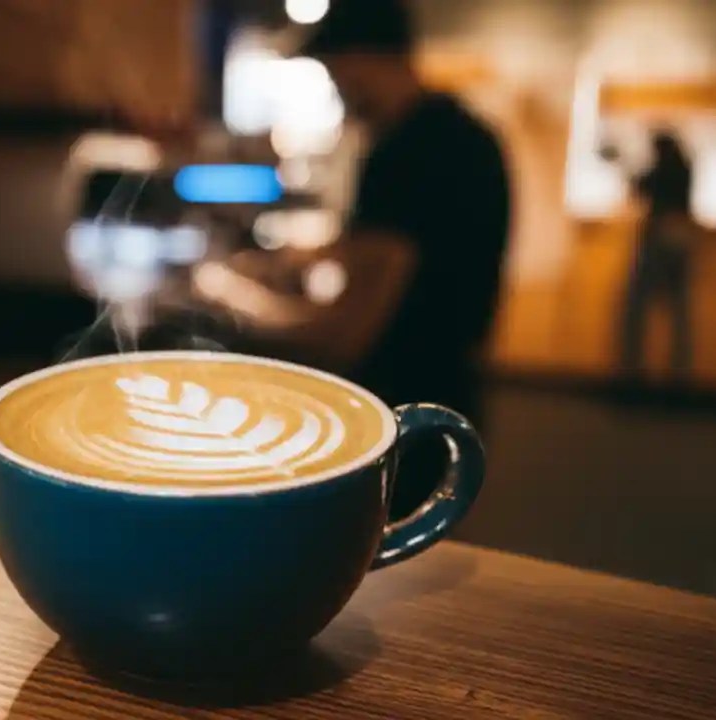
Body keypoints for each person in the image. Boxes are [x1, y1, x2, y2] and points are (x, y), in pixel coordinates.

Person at [194, 0, 511, 518]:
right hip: (453, 396)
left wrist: (227, 295)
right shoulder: (465, 135)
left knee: (378, 572)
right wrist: (306, 256)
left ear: (364, 58)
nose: (336, 88)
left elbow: (342, 335)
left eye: (334, 69)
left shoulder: (410, 152)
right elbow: (405, 248)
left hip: (402, 410)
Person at [621, 130, 695, 381]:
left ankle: (632, 369)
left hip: (659, 238)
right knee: (678, 310)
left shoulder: (664, 169)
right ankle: (679, 371)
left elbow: (640, 188)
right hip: (681, 238)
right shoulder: (684, 168)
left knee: (636, 305)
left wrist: (624, 167)